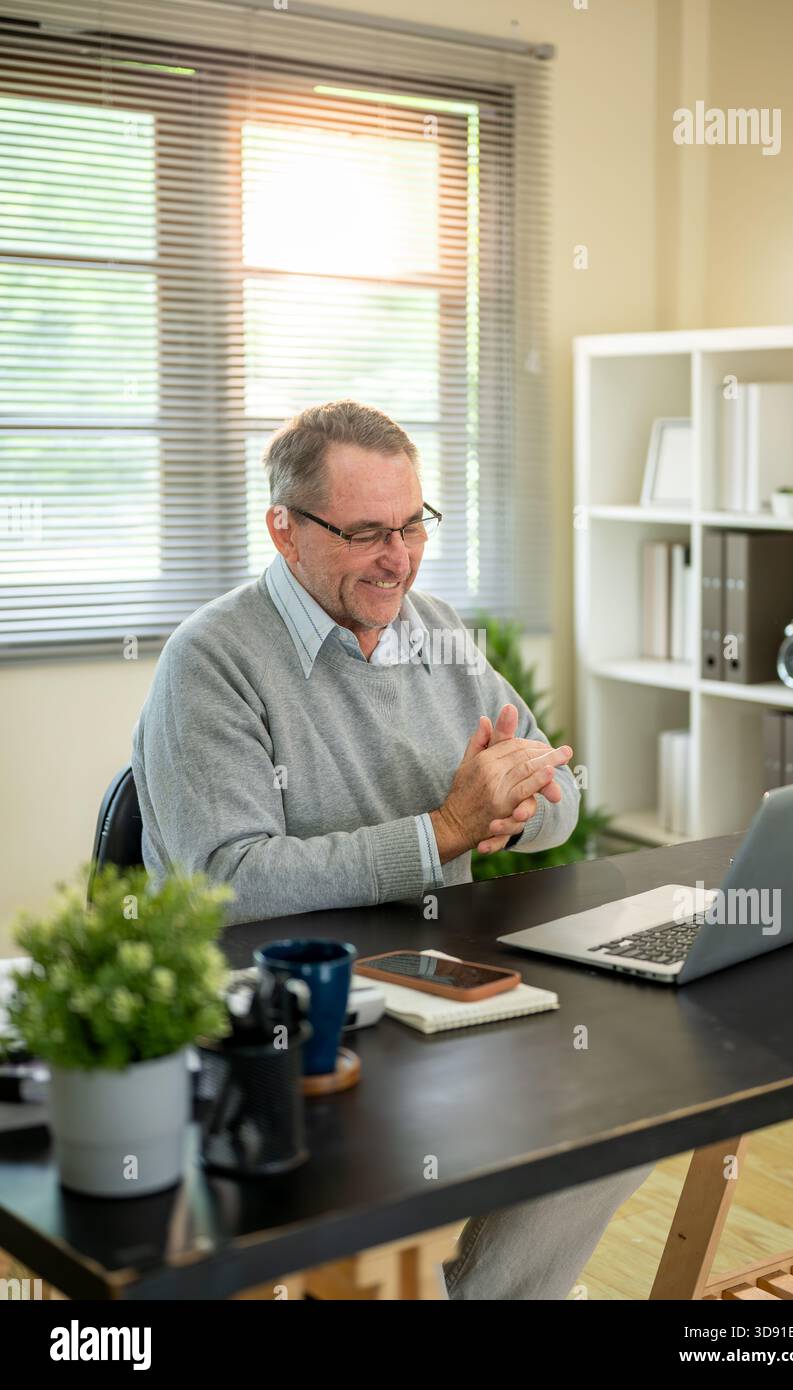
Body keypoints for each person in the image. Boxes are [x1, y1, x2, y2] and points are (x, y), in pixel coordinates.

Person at [132, 399, 652, 1299]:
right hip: (279, 1014)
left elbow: (559, 794)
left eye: (413, 524)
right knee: (382, 1179)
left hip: (436, 978)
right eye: (368, 531)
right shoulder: (210, 661)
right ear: (285, 532)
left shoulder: (441, 634)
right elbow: (229, 881)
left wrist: (515, 811)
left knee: (624, 1109)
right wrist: (444, 831)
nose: (399, 556)